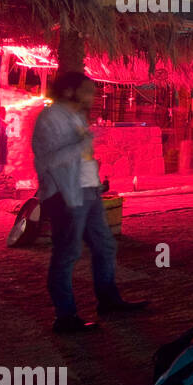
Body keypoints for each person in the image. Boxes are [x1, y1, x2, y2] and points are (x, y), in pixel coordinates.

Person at [31, 71, 148, 334]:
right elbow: (47, 161)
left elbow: (81, 156)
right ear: (71, 91)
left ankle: (108, 300)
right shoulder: (50, 118)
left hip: (88, 191)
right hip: (65, 195)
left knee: (105, 246)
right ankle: (65, 317)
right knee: (67, 254)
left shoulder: (75, 117)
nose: (93, 96)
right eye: (88, 90)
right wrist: (82, 143)